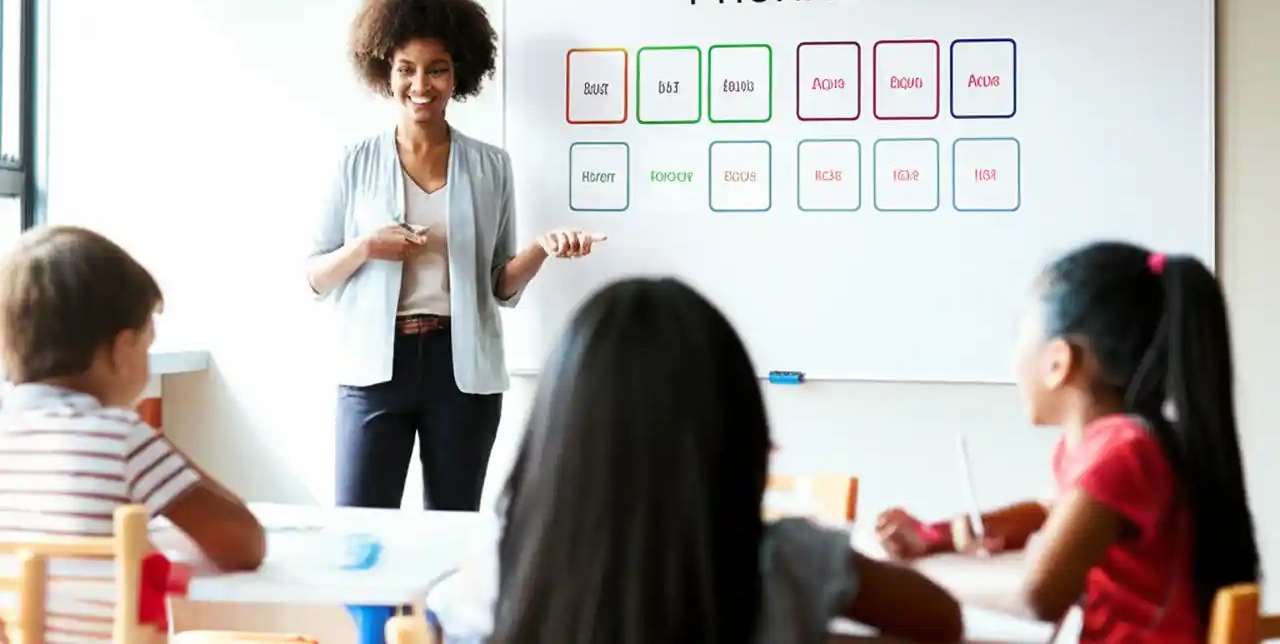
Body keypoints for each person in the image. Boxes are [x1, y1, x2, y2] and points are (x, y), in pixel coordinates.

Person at [429, 278, 962, 644]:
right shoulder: (787, 558)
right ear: (740, 432)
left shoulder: (507, 560)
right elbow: (943, 619)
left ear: (554, 439)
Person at [306, 0, 603, 515]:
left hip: (461, 373)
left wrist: (539, 249)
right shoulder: (353, 162)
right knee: (360, 530)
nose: (421, 84)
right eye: (406, 69)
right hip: (375, 369)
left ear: (457, 73)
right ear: (384, 72)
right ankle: (373, 608)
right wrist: (364, 248)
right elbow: (314, 277)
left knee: (452, 527)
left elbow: (500, 287)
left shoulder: (492, 165)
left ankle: (439, 608)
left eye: (436, 68)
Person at [875, 242, 1259, 642]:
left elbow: (1037, 590)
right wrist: (934, 539)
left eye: (1021, 337)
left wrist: (911, 578)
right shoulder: (1109, 445)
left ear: (1059, 363)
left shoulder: (1123, 451)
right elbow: (1052, 513)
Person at [0, 225, 266, 639]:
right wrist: (152, 444)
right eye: (147, 344)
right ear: (123, 350)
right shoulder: (118, 436)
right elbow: (244, 546)